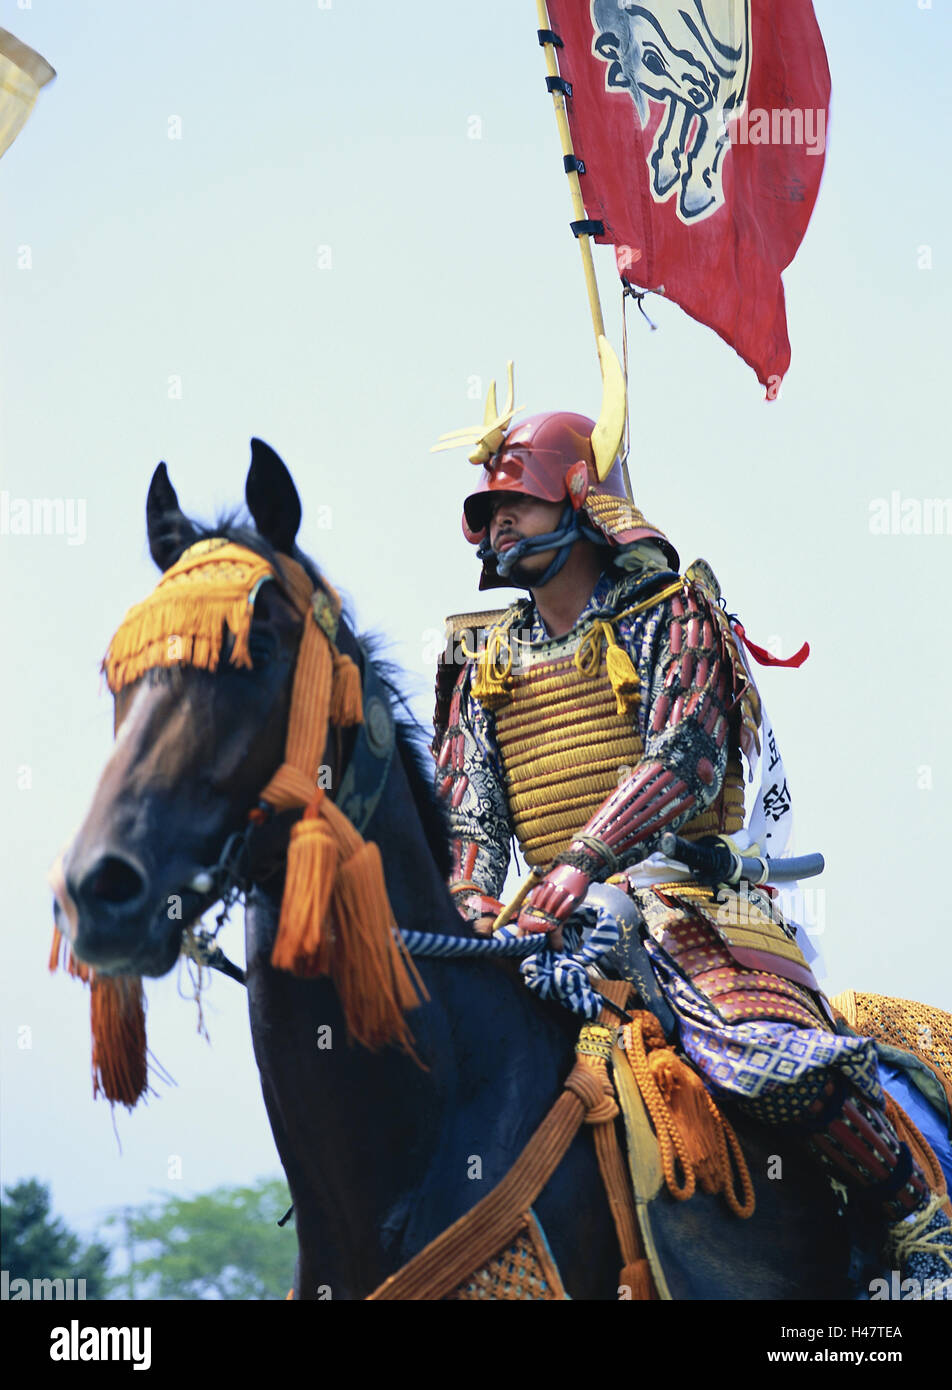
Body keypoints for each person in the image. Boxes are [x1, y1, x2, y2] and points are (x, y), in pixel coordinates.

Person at [431, 357, 951, 1290]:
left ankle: (918, 1222)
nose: (497, 522)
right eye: (488, 511)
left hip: (688, 907)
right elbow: (469, 812)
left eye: (521, 501)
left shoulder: (669, 613)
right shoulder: (480, 659)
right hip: (548, 922)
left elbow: (684, 759)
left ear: (583, 502)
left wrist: (585, 861)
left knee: (774, 1057)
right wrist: (468, 896)